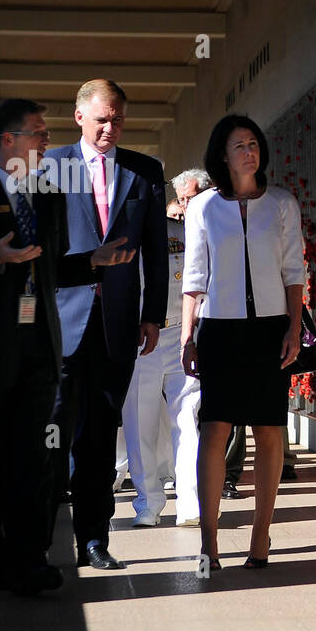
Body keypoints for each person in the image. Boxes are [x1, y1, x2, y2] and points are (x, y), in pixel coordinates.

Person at [0, 98, 134, 594]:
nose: (47, 141)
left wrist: (94, 260)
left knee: (35, 458)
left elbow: (49, 266)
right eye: (38, 133)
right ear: (8, 141)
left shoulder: (47, 195)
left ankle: (29, 559)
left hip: (40, 352)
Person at [43, 78, 168, 571]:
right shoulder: (49, 167)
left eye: (117, 119)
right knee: (51, 432)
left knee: (98, 437)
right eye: (101, 119)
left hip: (117, 326)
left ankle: (93, 540)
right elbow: (40, 254)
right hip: (59, 325)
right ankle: (40, 543)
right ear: (79, 118)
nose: (110, 128)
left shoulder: (144, 172)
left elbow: (156, 253)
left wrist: (152, 314)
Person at [181, 114, 305, 570]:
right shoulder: (204, 208)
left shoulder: (282, 204)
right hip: (220, 327)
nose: (249, 151)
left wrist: (294, 328)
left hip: (271, 327)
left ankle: (261, 537)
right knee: (215, 427)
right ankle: (208, 542)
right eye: (239, 145)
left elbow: (294, 272)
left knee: (270, 429)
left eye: (254, 143)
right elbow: (195, 276)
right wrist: (188, 334)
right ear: (223, 156)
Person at [120, 169, 210, 527]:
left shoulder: (188, 233)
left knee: (187, 420)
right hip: (142, 338)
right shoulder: (127, 238)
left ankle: (190, 501)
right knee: (139, 423)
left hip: (183, 335)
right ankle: (147, 502)